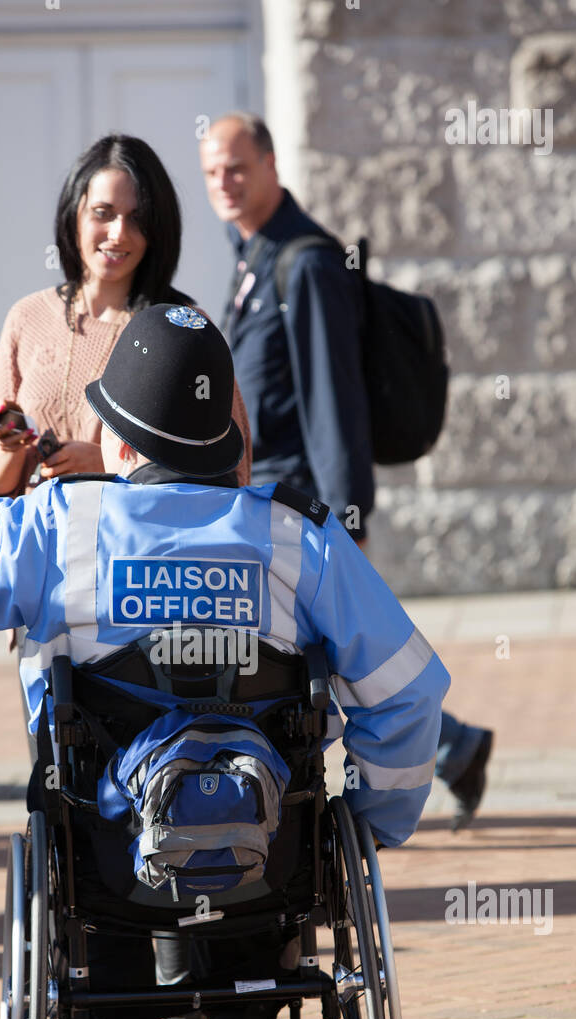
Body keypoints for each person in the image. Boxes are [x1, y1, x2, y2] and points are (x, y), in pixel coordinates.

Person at [0, 302, 450, 1019]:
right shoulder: (296, 538)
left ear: (119, 444)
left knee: (87, 803)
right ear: (226, 442)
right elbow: (409, 689)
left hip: (105, 861)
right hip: (269, 852)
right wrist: (376, 821)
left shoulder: (60, 528)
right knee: (264, 791)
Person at [0, 133, 255, 1019]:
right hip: (54, 596)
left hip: (157, 590)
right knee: (70, 796)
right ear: (74, 216)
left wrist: (98, 459)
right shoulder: (28, 319)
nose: (119, 232)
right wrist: (11, 452)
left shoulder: (180, 325)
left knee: (161, 782)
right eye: (103, 212)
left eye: (137, 217)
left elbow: (235, 460)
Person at [200, 111, 493, 828]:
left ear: (272, 166)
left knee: (315, 655)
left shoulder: (307, 261)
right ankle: (455, 747)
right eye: (212, 172)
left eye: (238, 168)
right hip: (270, 494)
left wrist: (348, 515)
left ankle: (431, 755)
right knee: (313, 654)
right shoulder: (255, 256)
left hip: (304, 499)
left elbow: (335, 398)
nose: (225, 184)